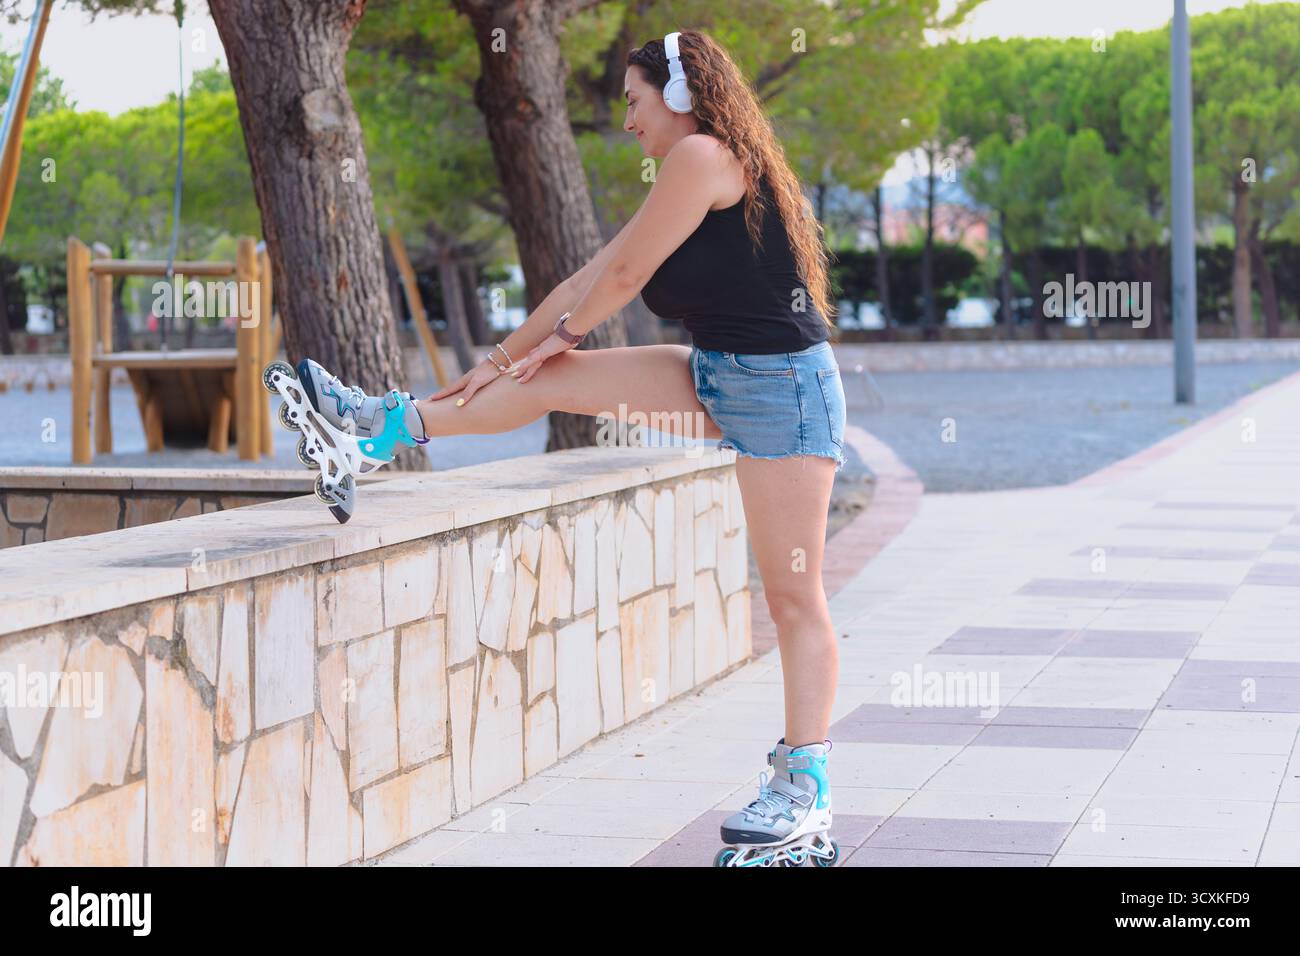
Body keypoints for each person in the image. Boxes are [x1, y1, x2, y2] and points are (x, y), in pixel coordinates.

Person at [286, 29, 845, 866]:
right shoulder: (685, 171)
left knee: (795, 598)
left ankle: (803, 793)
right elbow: (587, 280)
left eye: (633, 100)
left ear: (681, 96)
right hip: (721, 373)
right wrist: (500, 361)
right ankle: (377, 428)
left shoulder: (704, 158)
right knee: (554, 378)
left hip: (785, 394)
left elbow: (615, 292)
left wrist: (565, 335)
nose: (627, 122)